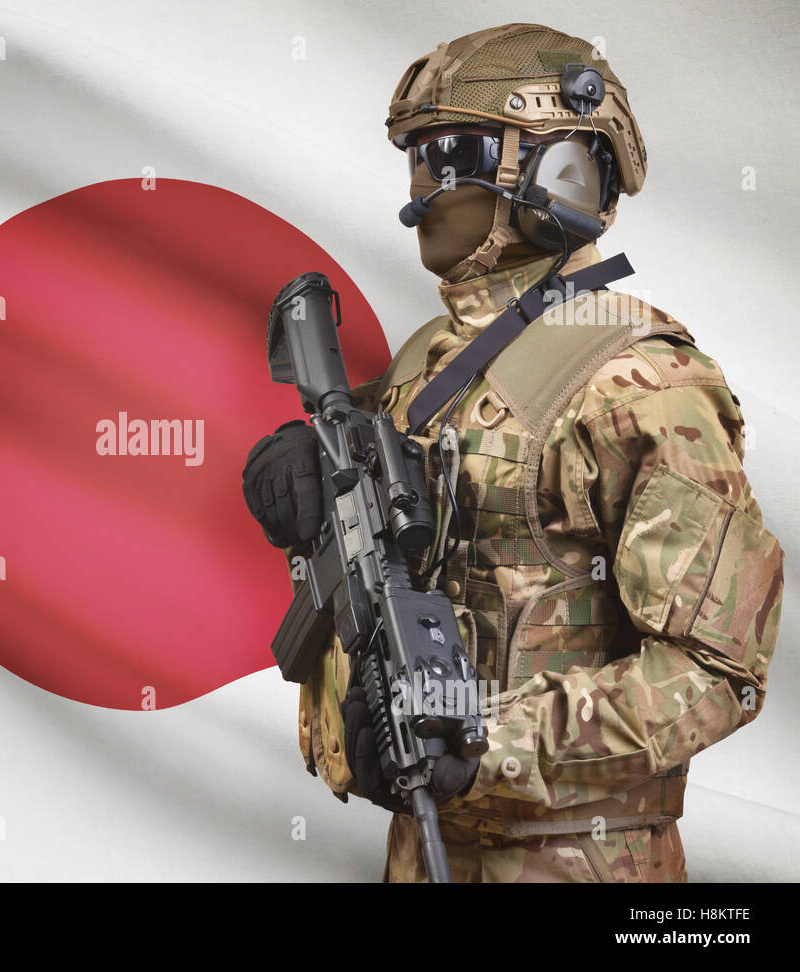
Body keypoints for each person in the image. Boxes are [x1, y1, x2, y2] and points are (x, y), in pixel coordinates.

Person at [241, 23, 784, 882]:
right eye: (417, 155)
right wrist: (302, 484)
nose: (422, 184)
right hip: (422, 849)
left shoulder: (642, 381)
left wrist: (486, 740)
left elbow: (716, 670)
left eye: (448, 150)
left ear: (553, 169)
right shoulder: (431, 358)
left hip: (581, 863)